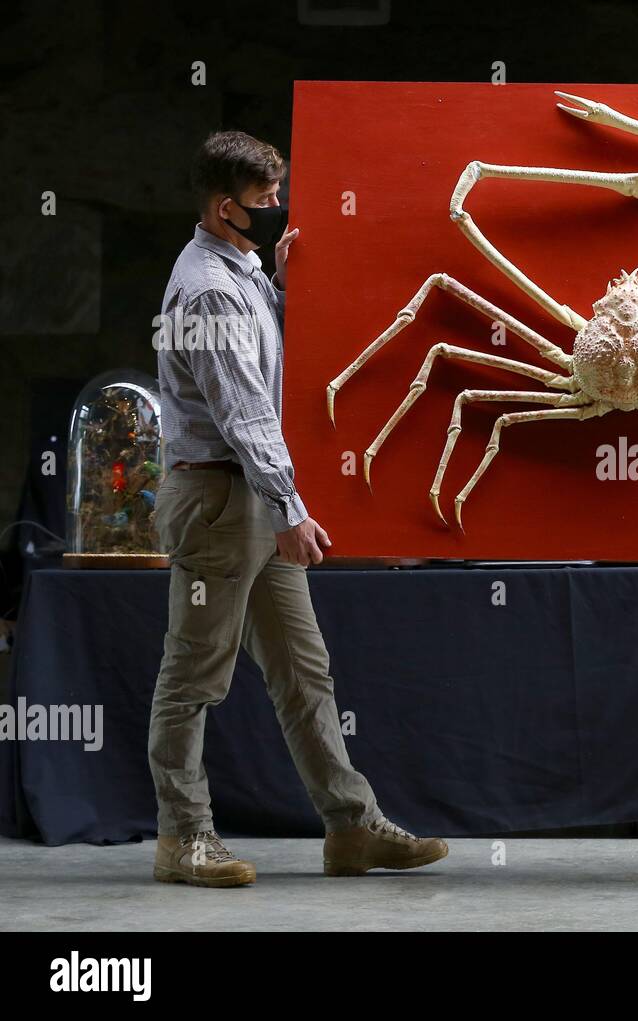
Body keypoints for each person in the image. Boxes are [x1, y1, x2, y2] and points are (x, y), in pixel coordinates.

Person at [149, 130, 448, 887]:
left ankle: (350, 825)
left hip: (244, 494)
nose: (278, 209)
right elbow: (245, 407)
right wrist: (288, 506)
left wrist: (276, 285)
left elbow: (255, 352)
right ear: (225, 207)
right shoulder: (210, 287)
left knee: (302, 670)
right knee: (194, 676)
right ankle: (183, 839)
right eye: (264, 201)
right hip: (223, 498)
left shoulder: (236, 268)